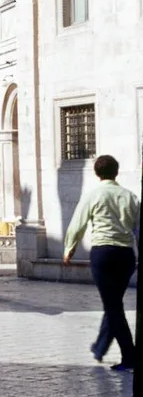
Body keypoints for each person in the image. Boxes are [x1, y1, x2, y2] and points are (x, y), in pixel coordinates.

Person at [63, 154, 139, 372]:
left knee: (112, 306)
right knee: (113, 302)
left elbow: (78, 223)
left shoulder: (93, 195)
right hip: (126, 255)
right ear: (116, 172)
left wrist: (69, 248)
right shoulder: (130, 197)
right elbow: (138, 227)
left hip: (103, 254)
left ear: (97, 173)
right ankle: (100, 347)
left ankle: (129, 356)